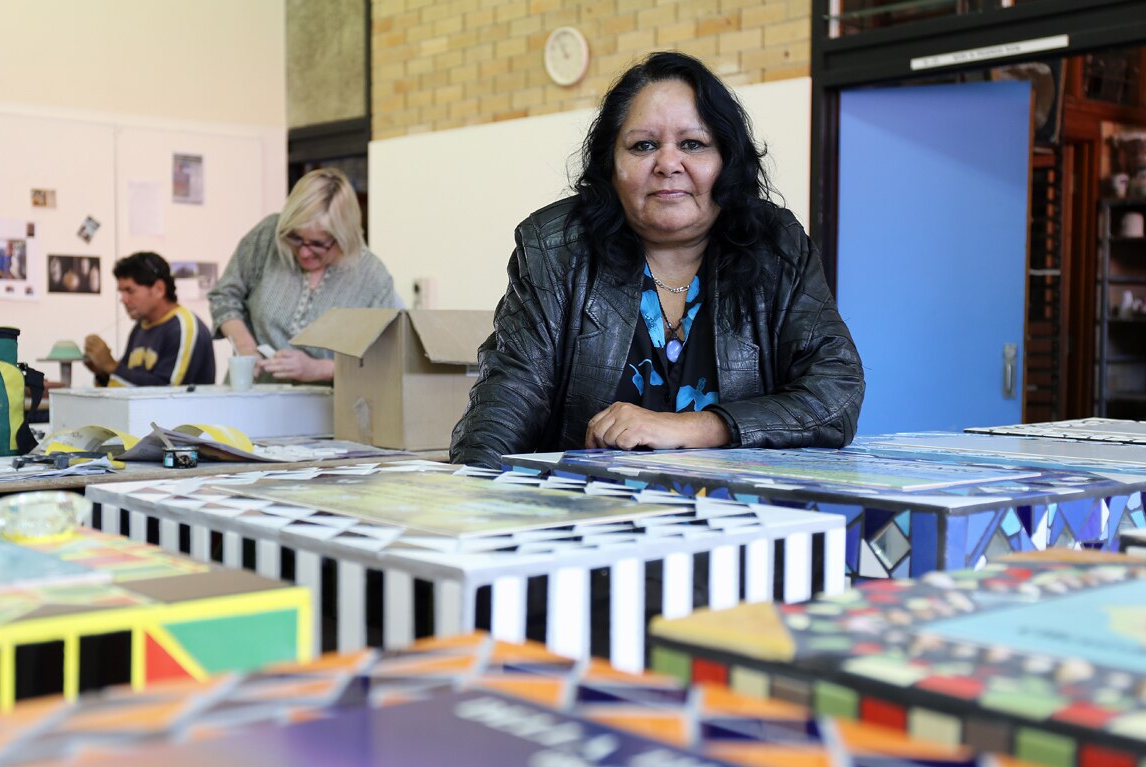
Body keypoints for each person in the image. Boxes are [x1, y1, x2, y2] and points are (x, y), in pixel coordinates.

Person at [451, 51, 865, 469]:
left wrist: (692, 428)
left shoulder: (778, 247)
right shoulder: (555, 247)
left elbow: (836, 392)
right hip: (587, 514)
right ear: (611, 166)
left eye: (693, 144)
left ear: (726, 161)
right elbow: (508, 398)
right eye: (643, 145)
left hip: (740, 513)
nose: (668, 164)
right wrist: (471, 497)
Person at [208, 167, 399, 383]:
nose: (304, 251)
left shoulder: (373, 278)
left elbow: (385, 360)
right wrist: (245, 348)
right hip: (254, 396)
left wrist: (320, 369)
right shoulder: (267, 237)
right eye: (295, 238)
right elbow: (224, 296)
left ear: (345, 237)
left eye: (318, 244)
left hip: (326, 408)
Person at [83, 252, 216, 387]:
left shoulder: (184, 328)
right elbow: (128, 384)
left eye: (130, 291)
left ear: (159, 289)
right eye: (121, 292)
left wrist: (111, 366)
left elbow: (168, 391)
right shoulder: (141, 326)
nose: (123, 300)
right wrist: (103, 372)